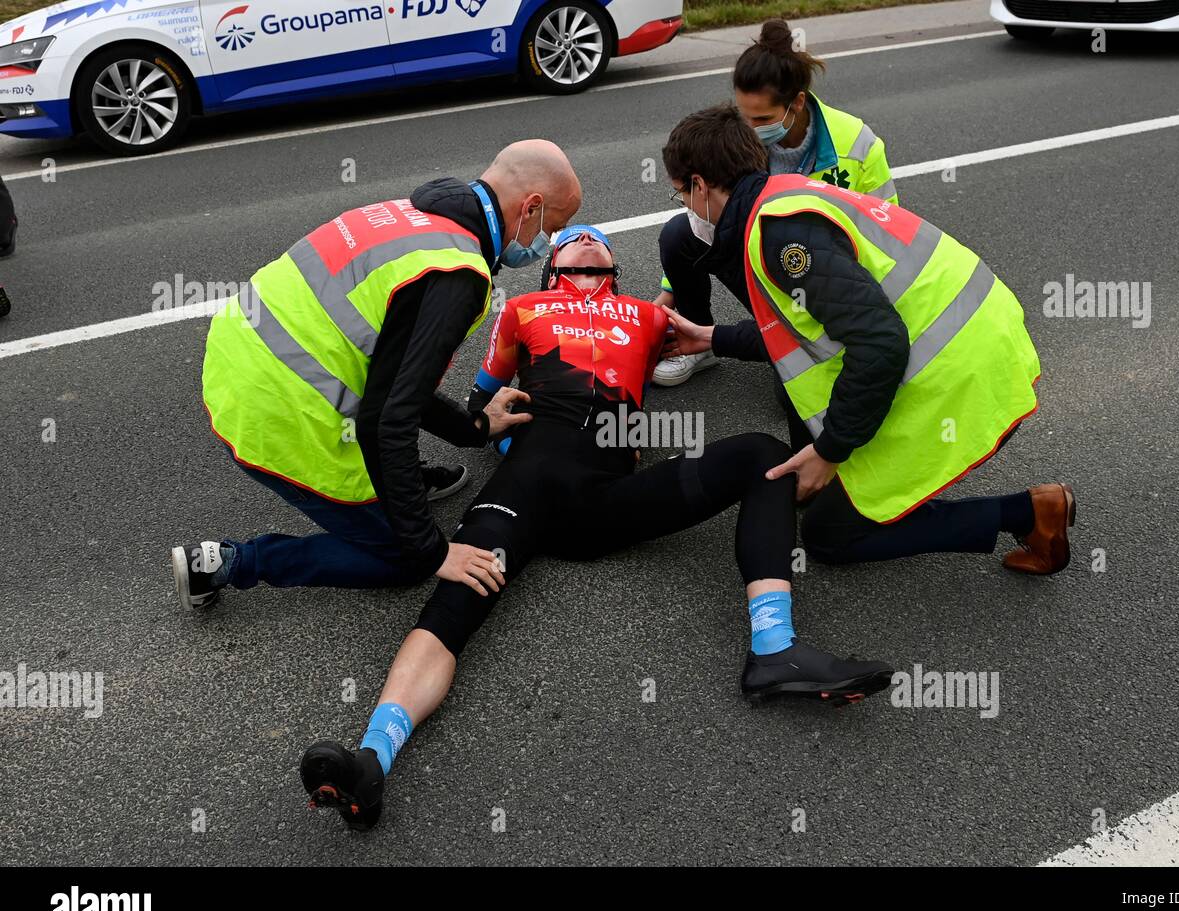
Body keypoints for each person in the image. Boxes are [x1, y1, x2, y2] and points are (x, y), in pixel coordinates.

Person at [298, 225, 895, 831]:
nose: (586, 240)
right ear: (551, 265)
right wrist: (488, 422)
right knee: (451, 608)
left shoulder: (648, 316)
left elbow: (780, 335)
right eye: (572, 238)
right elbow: (482, 405)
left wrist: (719, 339)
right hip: (526, 489)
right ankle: (372, 760)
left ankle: (774, 648)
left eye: (597, 239)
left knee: (762, 457)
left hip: (611, 499)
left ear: (614, 264)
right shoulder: (522, 310)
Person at [659, 106, 1077, 576]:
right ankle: (845, 476)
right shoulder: (780, 200)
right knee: (819, 465)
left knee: (830, 535)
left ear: (699, 184)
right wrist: (713, 338)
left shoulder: (779, 238)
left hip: (959, 364)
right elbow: (803, 333)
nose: (688, 211)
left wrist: (831, 450)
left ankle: (1029, 513)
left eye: (681, 196)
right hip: (966, 332)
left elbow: (879, 344)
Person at [170, 141, 580, 610]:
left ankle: (397, 490)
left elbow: (392, 375)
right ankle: (229, 562)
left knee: (393, 465)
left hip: (237, 353)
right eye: (555, 226)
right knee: (402, 558)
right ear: (530, 208)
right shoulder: (456, 274)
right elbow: (387, 420)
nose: (549, 243)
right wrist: (432, 550)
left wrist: (475, 427)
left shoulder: (408, 214)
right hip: (275, 405)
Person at [653, 18, 897, 387]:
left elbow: (886, 227)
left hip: (831, 274)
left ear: (796, 103)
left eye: (763, 118)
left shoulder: (857, 143)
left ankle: (799, 339)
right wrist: (669, 294)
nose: (750, 129)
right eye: (743, 116)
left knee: (798, 395)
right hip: (770, 256)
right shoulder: (737, 141)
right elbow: (710, 216)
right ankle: (700, 340)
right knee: (679, 233)